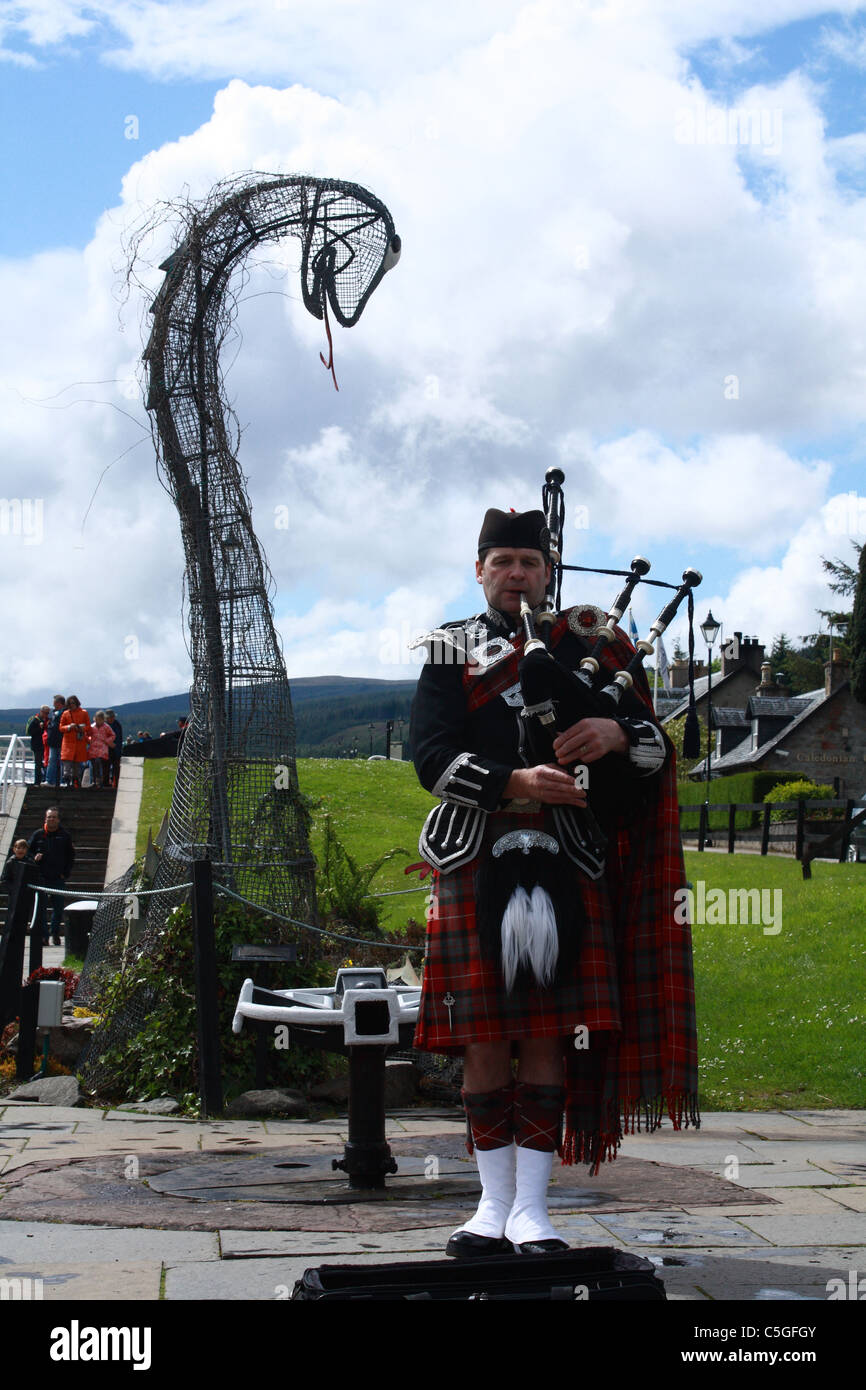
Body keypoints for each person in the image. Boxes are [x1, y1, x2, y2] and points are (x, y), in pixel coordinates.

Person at [409, 506, 698, 1257]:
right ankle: (490, 1205)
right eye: (501, 561)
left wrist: (613, 734)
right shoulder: (451, 649)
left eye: (529, 563)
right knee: (481, 1037)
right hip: (478, 853)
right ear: (479, 570)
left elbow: (651, 751)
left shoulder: (592, 646)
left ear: (549, 571)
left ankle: (533, 1211)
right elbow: (429, 757)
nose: (516, 574)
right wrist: (514, 780)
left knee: (546, 1033)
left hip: (570, 857)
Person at [0, 840, 37, 1027]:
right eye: (18, 848)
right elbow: (5, 880)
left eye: (23, 848)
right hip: (14, 898)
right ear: (14, 849)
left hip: (25, 899)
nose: (21, 851)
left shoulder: (30, 863)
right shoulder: (10, 863)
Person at [28, 806, 75, 946]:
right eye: (49, 817)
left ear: (58, 819)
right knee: (40, 908)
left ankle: (55, 933)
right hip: (41, 878)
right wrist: (34, 858)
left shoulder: (65, 836)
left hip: (58, 878)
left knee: (58, 908)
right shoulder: (37, 835)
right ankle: (44, 935)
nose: (51, 819)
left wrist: (65, 873)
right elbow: (28, 852)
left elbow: (71, 856)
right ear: (45, 819)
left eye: (54, 817)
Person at [59, 696, 91, 788]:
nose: (71, 705)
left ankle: (75, 783)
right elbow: (61, 727)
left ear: (77, 703)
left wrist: (82, 728)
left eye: (73, 703)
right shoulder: (65, 714)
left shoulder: (84, 713)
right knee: (67, 765)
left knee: (77, 765)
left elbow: (88, 726)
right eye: (70, 703)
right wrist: (69, 727)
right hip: (68, 742)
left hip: (79, 742)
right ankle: (67, 782)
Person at [87, 711, 116, 788]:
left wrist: (107, 741)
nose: (98, 721)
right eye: (96, 719)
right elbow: (87, 734)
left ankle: (100, 781)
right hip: (93, 749)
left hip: (102, 749)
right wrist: (89, 740)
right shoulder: (92, 726)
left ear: (103, 720)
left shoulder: (106, 727)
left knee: (99, 764)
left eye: (100, 720)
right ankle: (93, 781)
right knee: (93, 765)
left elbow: (113, 735)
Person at [44, 695, 66, 788]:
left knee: (62, 762)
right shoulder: (54, 714)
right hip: (53, 741)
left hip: (62, 741)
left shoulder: (65, 714)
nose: (53, 705)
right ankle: (50, 781)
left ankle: (63, 781)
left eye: (55, 703)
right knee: (52, 760)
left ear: (59, 703)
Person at [25, 707, 49, 786]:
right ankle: (37, 782)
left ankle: (45, 779)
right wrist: (39, 728)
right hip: (37, 745)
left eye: (48, 713)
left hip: (45, 745)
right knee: (38, 763)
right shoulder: (35, 720)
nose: (46, 715)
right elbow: (30, 732)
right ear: (41, 712)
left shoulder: (47, 720)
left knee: (45, 763)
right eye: (45, 713)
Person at [105, 709, 122, 788]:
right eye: (110, 717)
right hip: (106, 750)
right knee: (106, 768)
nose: (111, 718)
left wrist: (116, 746)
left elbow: (119, 738)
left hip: (116, 750)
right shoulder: (104, 725)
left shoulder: (117, 725)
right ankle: (106, 784)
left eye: (112, 717)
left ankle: (116, 785)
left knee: (116, 769)